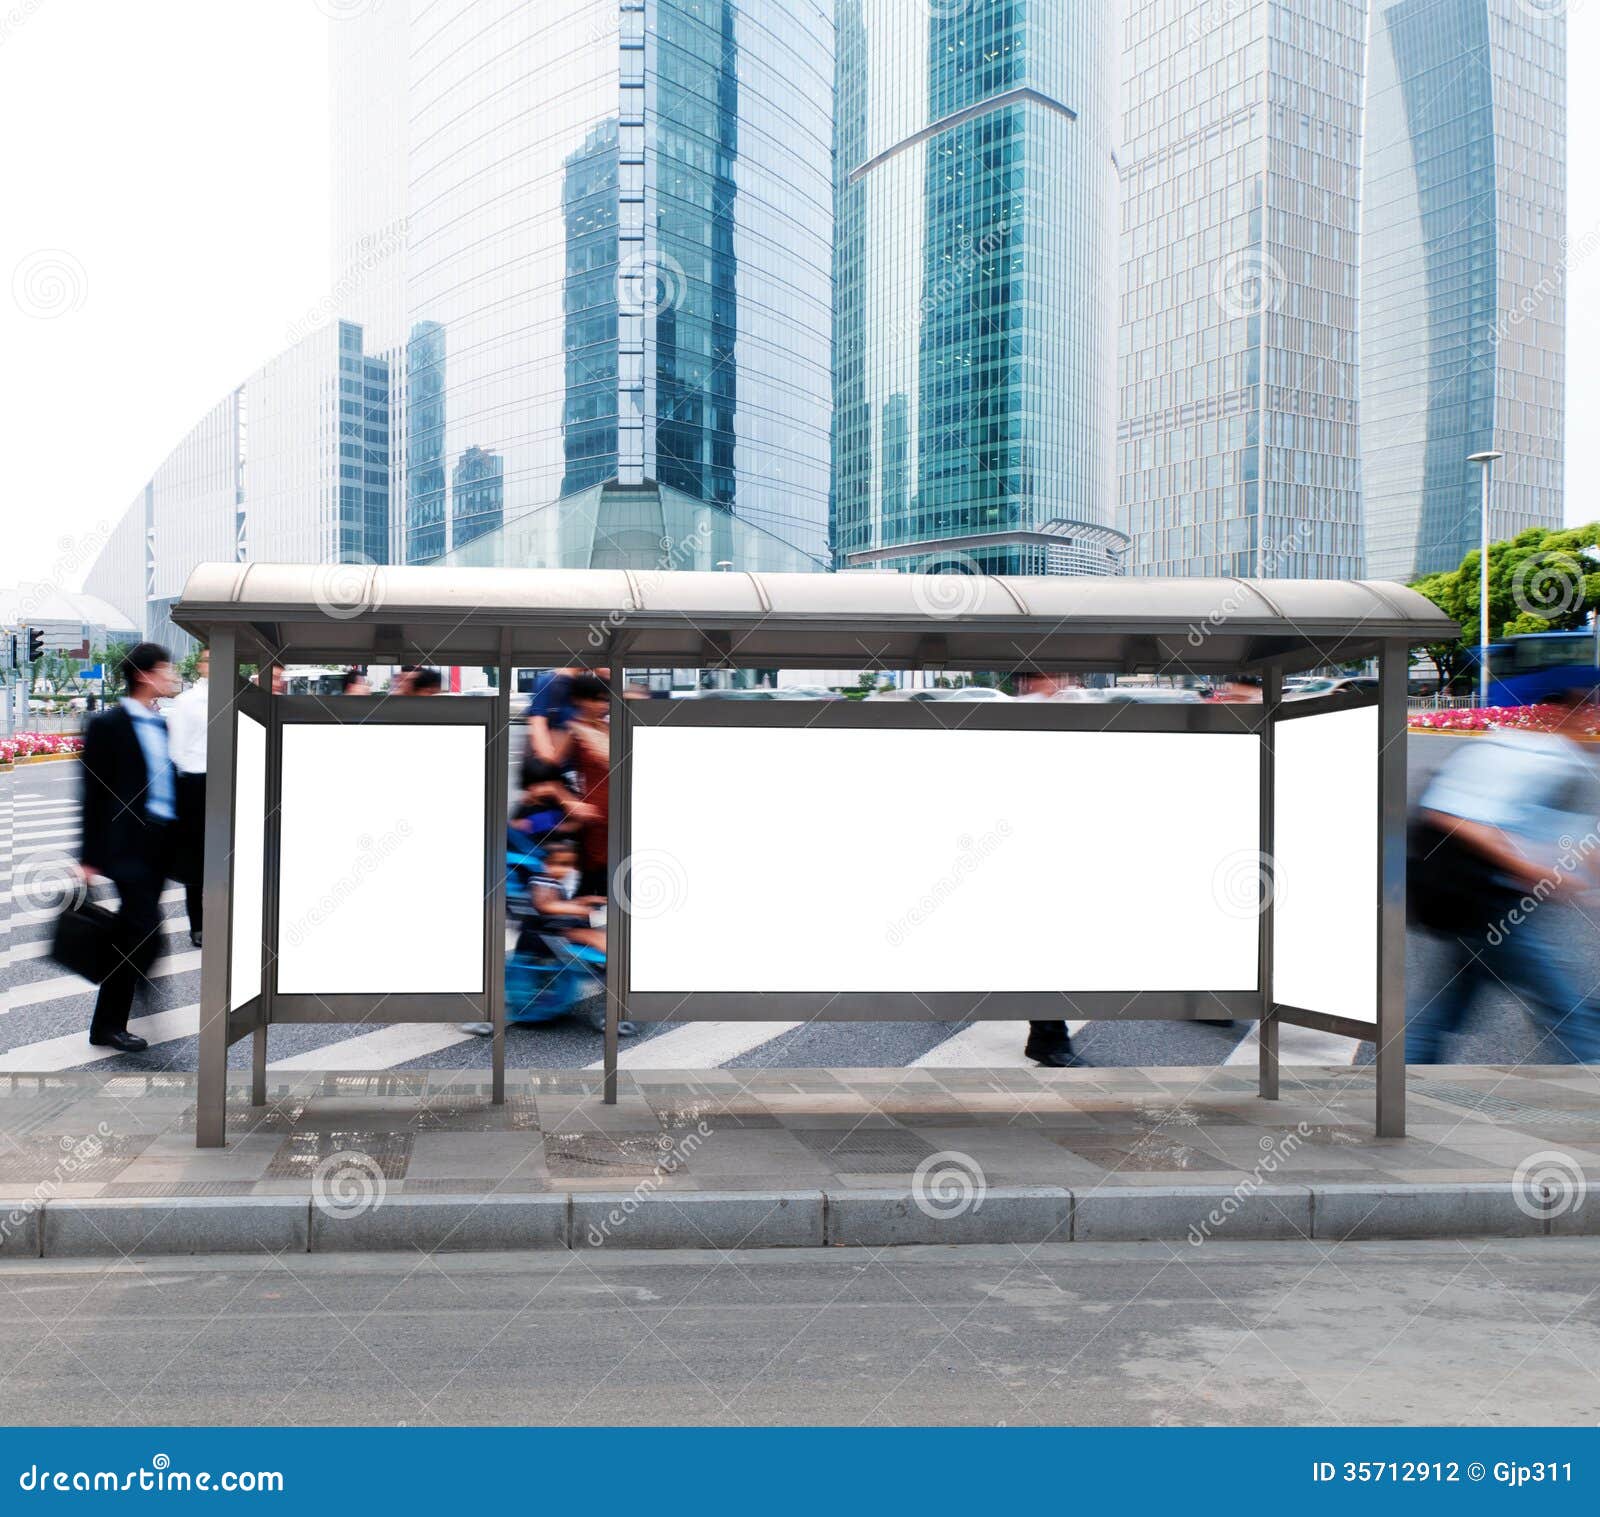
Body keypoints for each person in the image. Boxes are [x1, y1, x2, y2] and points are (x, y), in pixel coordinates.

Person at [1407, 683, 1600, 1063]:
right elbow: (1451, 817)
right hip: (1490, 905)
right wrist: (1529, 868)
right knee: (1567, 1013)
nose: (1590, 719)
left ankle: (1401, 1089)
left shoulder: (1554, 756)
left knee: (1442, 1011)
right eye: (1584, 709)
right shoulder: (1526, 754)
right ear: (1557, 712)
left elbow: (1580, 841)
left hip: (1484, 906)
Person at [77, 642, 181, 1052]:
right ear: (144, 675)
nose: (171, 677)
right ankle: (109, 1023)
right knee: (142, 930)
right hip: (126, 849)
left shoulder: (160, 724)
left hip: (158, 845)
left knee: (140, 932)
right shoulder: (108, 726)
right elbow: (91, 793)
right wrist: (88, 857)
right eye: (165, 669)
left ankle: (127, 996)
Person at [164, 647, 209, 947]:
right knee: (198, 861)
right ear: (200, 666)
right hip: (196, 783)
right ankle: (199, 925)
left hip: (228, 779)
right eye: (209, 658)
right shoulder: (186, 701)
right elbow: (176, 751)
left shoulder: (237, 694)